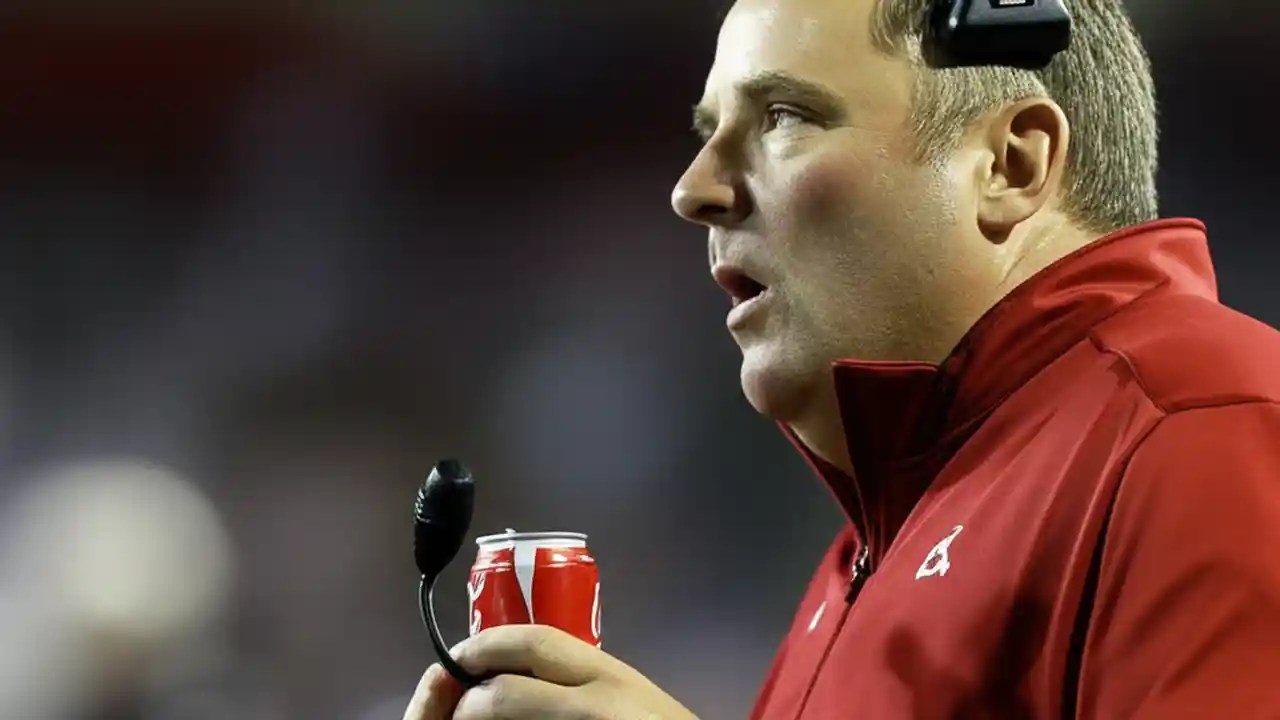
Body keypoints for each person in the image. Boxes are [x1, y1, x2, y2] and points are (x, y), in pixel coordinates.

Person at [404, 0, 1280, 716]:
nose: (693, 190)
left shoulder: (1202, 434)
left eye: (783, 116)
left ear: (1012, 164)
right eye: (709, 130)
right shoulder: (875, 549)